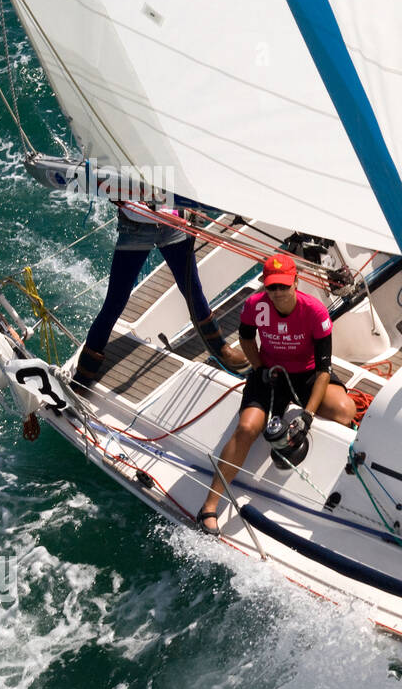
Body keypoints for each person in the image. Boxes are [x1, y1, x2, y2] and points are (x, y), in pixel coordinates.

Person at [196, 253, 356, 535]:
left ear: (296, 282)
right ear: (265, 286)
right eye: (272, 287)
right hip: (271, 372)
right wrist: (260, 369)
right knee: (246, 428)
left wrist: (307, 415)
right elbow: (246, 338)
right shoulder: (254, 306)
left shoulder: (315, 312)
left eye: (284, 285)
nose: (278, 292)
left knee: (346, 410)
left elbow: (323, 370)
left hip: (308, 375)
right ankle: (209, 507)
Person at [73, 199, 247, 386]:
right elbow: (105, 180)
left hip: (173, 223)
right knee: (115, 301)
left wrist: (191, 205)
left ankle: (220, 347)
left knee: (192, 290)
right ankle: (84, 373)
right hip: (136, 228)